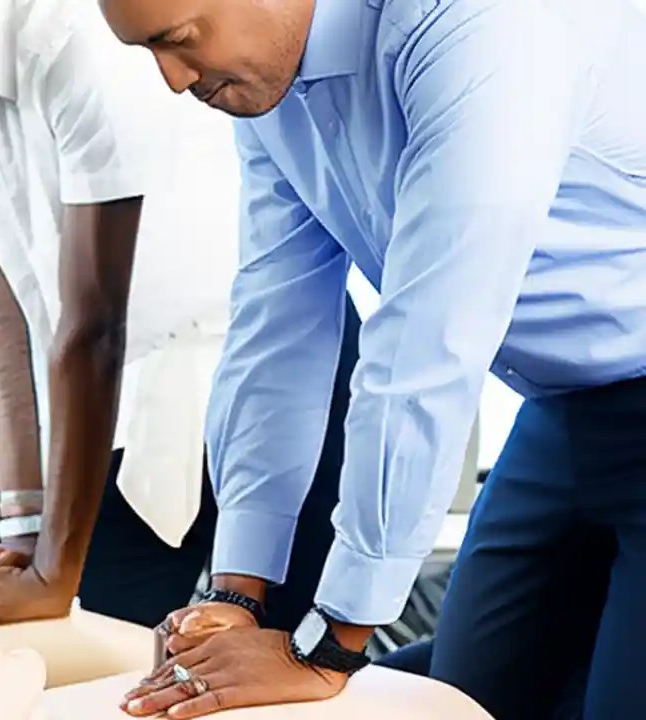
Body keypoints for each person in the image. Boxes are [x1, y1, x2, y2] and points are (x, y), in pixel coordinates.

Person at [98, 0, 646, 718]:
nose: (172, 80)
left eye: (179, 42)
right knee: (459, 694)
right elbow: (277, 326)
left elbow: (424, 343)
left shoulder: (476, 24)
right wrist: (234, 595)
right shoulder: (262, 88)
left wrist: (327, 648)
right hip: (560, 414)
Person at [0, 0, 361, 632]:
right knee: (94, 645)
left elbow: (93, 321)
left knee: (291, 654)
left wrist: (52, 570)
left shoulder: (74, 40)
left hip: (277, 355)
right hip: (129, 394)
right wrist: (23, 527)